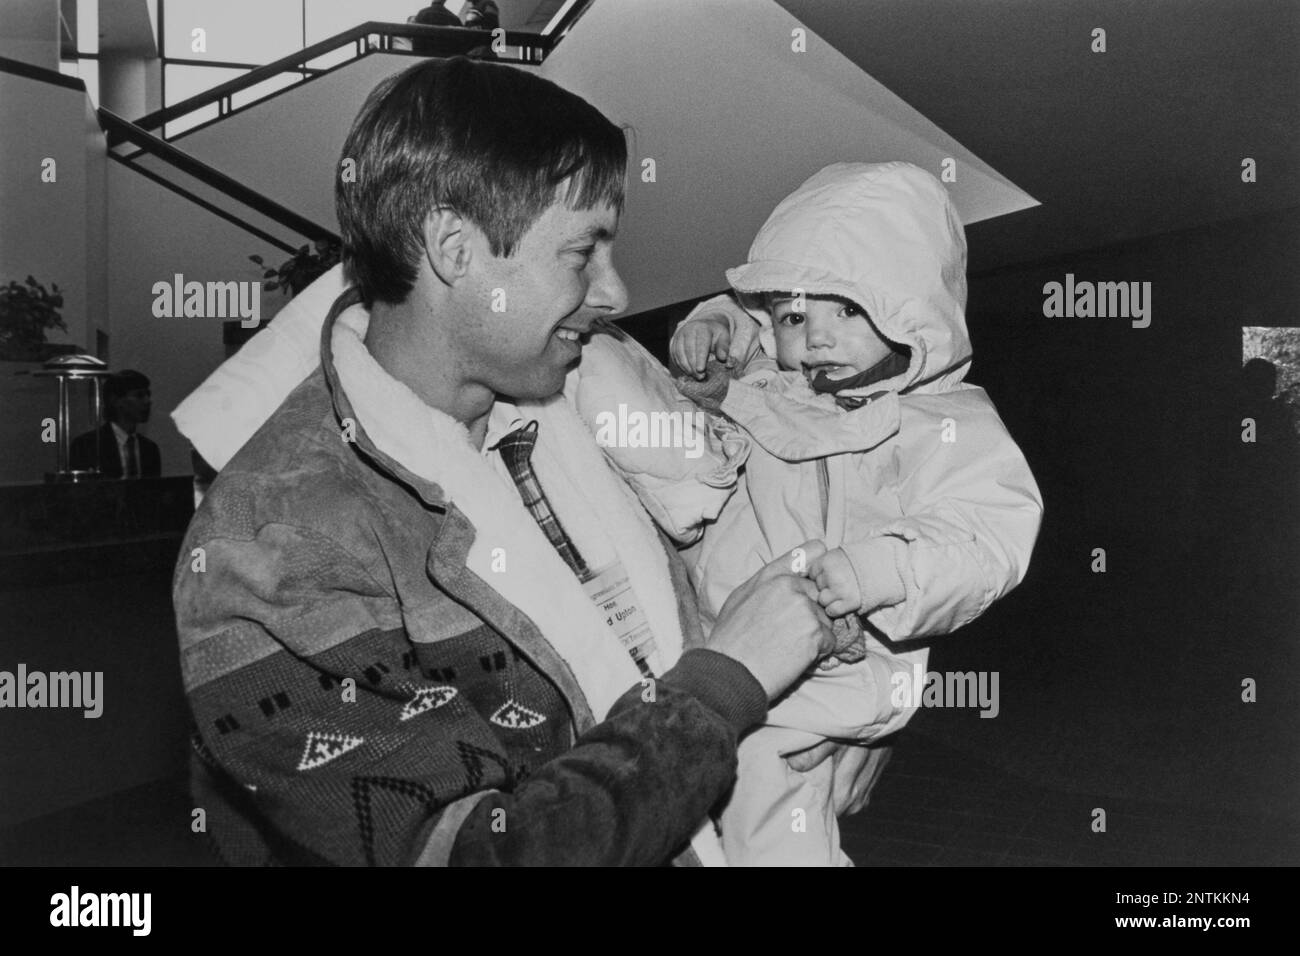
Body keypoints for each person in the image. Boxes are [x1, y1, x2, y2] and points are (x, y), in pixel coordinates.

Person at [172, 57, 838, 867]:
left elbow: (662, 631)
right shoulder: (269, 549)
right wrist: (729, 684)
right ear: (455, 248)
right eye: (583, 252)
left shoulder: (565, 409)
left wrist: (819, 729)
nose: (616, 292)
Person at [584, 162, 1043, 864]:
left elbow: (986, 535)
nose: (816, 338)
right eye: (796, 315)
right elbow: (747, 329)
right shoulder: (775, 383)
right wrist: (714, 327)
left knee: (767, 819)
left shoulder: (944, 424)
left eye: (849, 311)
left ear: (912, 313)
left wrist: (876, 569)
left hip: (829, 679)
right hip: (714, 642)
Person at [69, 368, 161, 478]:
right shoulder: (87, 446)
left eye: (148, 395)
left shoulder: (150, 449)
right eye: (139, 395)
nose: (148, 401)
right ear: (116, 401)